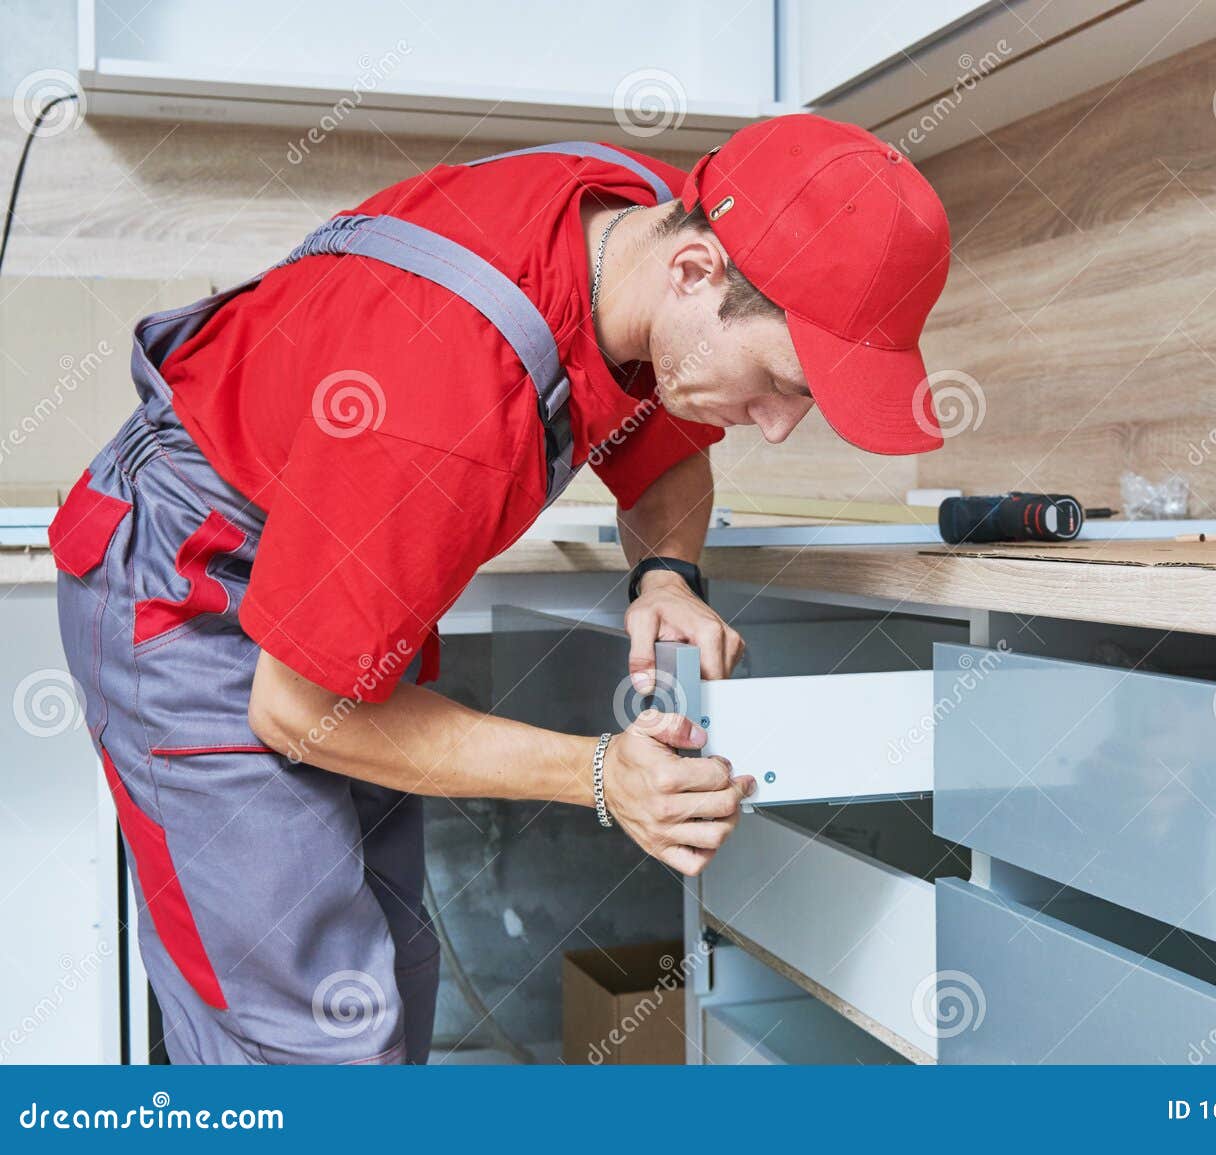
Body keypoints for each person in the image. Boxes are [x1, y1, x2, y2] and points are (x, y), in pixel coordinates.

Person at [47, 113, 951, 1064]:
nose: (773, 427)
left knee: (390, 978)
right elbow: (298, 707)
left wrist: (668, 572)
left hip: (332, 551)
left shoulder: (640, 227)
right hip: (189, 594)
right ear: (696, 273)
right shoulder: (444, 402)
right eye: (778, 383)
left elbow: (668, 447)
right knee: (312, 1031)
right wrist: (602, 776)